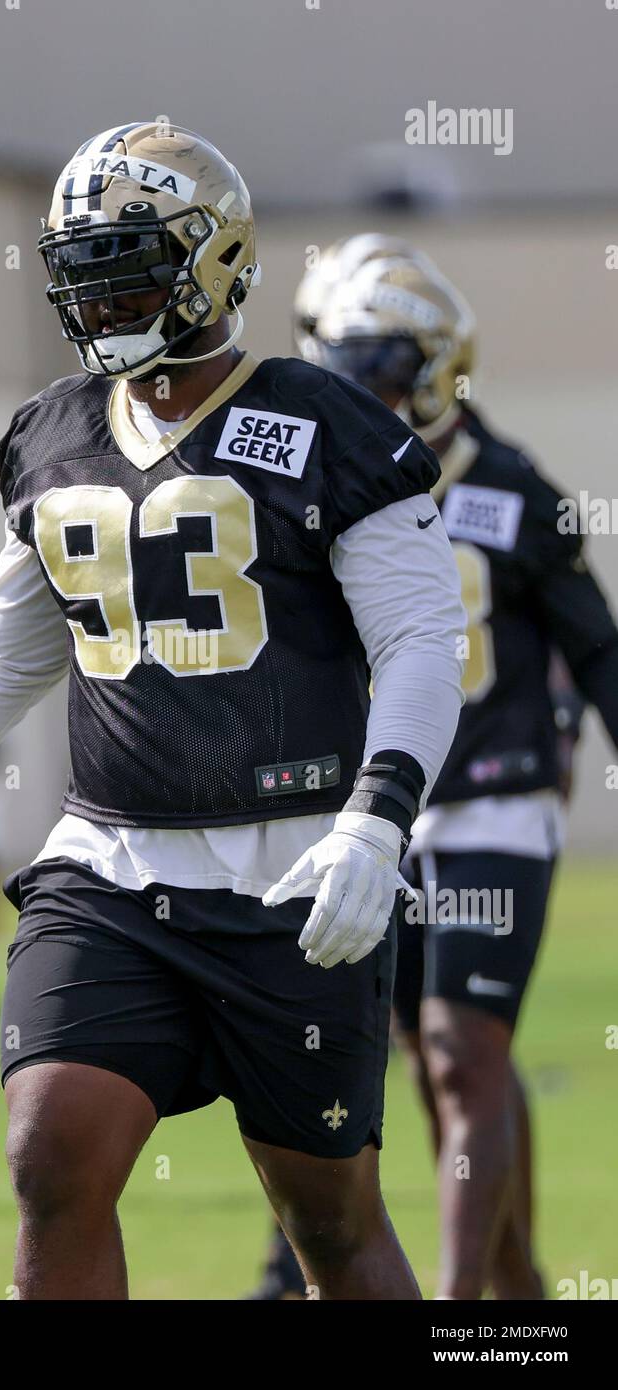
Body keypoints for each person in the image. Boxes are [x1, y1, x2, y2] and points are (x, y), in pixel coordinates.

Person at [0, 124, 465, 1298]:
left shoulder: (335, 426)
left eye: (130, 260)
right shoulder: (54, 431)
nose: (100, 291)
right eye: (83, 264)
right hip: (111, 866)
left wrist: (377, 818)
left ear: (216, 260)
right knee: (50, 1148)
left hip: (294, 874)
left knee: (329, 1223)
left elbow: (422, 642)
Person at [274, 234, 618, 1300]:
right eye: (350, 363)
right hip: (376, 808)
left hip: (494, 797)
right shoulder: (314, 479)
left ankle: (460, 1309)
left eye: (387, 363)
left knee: (462, 1047)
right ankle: (517, 1288)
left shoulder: (511, 488)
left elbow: (598, 646)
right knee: (426, 1061)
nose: (367, 386)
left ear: (438, 365)